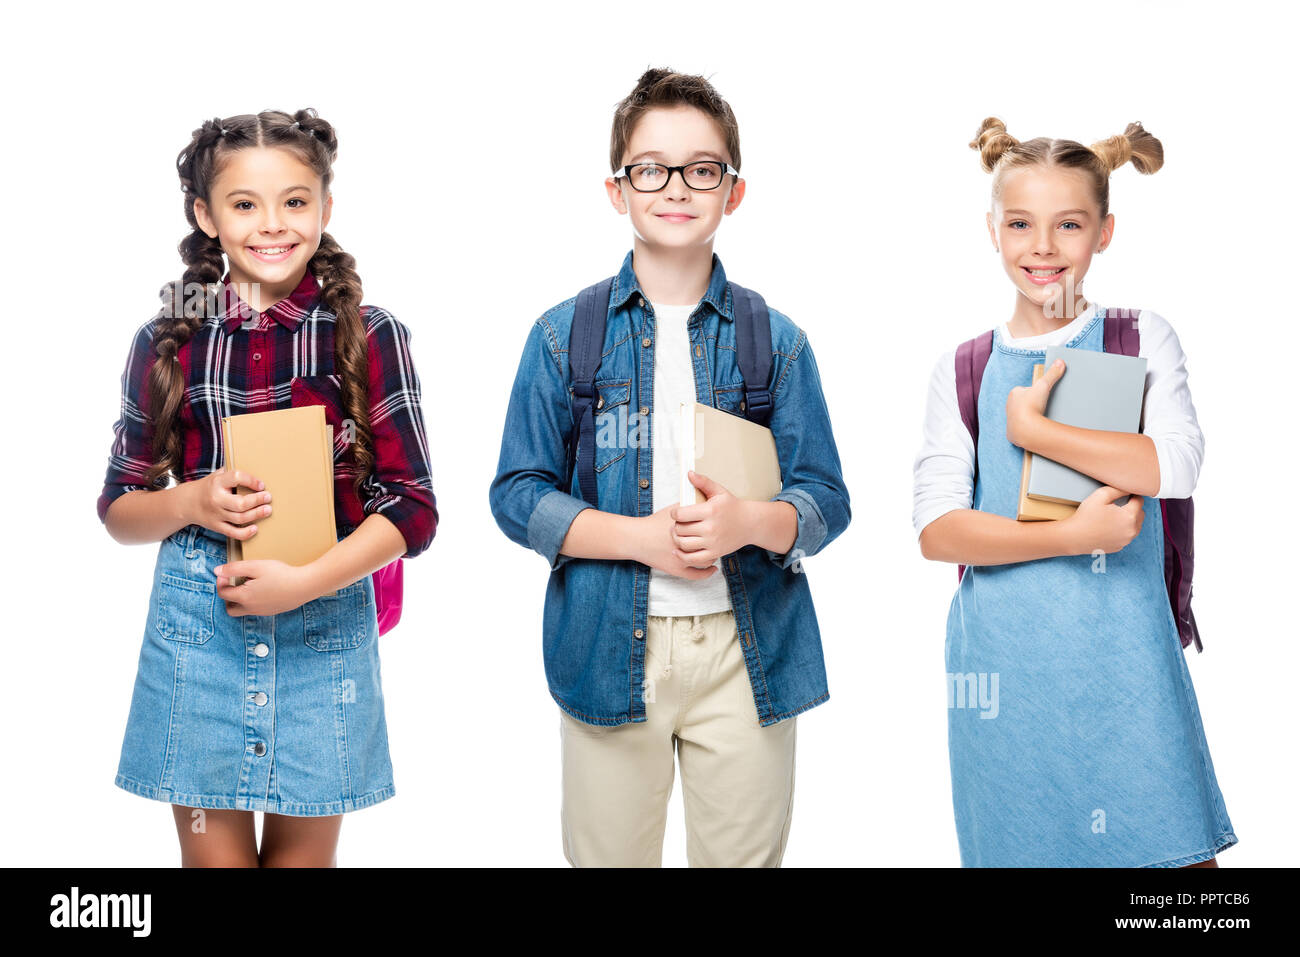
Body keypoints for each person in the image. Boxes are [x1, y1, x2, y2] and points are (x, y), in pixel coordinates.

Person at [490, 68, 850, 867]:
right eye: (650, 168)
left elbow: (826, 498)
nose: (676, 187)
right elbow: (517, 494)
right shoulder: (564, 335)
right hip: (609, 650)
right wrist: (637, 538)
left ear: (734, 190)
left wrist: (750, 522)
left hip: (747, 652)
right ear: (618, 190)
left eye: (702, 168)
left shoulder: (776, 340)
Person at [98, 108, 437, 866]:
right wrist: (190, 500)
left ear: (324, 207)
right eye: (244, 203)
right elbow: (119, 508)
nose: (272, 224)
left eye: (295, 200)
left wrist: (306, 582)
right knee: (211, 859)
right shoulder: (168, 339)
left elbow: (412, 510)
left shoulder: (368, 331)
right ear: (205, 216)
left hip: (323, 626)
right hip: (199, 628)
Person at [912, 116, 1236, 867]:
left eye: (1070, 224)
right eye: (1021, 224)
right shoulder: (963, 368)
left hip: (1127, 666)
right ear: (991, 230)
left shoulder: (1137, 336)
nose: (1043, 247)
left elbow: (1176, 465)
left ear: (1105, 231)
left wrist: (1040, 431)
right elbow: (937, 530)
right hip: (1006, 674)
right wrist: (1071, 535)